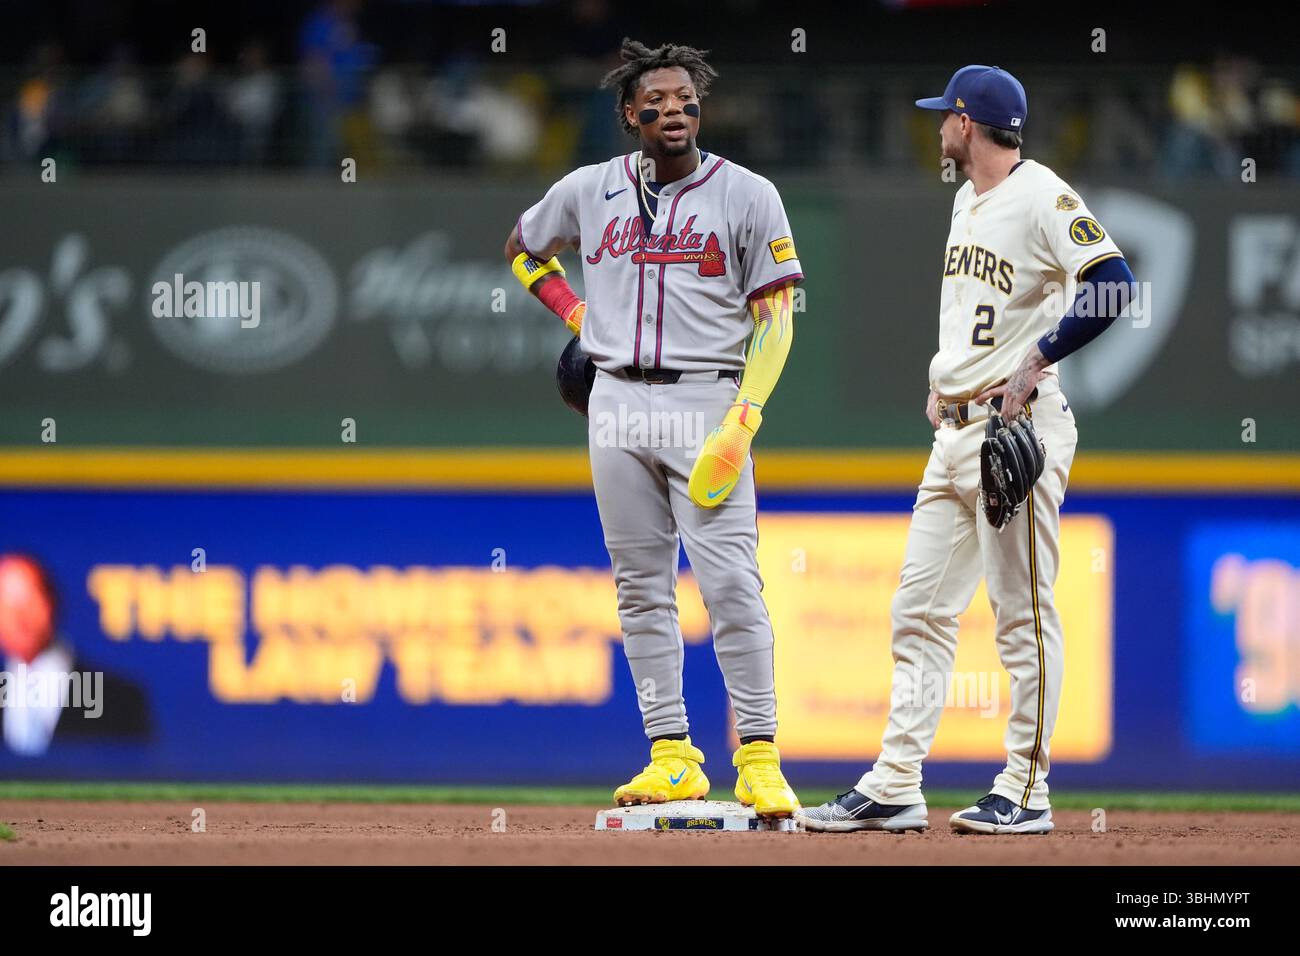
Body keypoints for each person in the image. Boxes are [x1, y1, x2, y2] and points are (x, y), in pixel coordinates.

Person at [800, 65, 1136, 835]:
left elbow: (1114, 284)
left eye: (942, 117)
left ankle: (1026, 787)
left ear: (967, 122)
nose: (936, 128)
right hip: (953, 432)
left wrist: (1040, 357)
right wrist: (945, 379)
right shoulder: (965, 197)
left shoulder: (1043, 193)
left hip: (1015, 430)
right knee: (917, 609)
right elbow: (974, 311)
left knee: (1020, 614)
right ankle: (895, 783)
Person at [503, 39, 804, 818]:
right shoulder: (588, 189)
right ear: (630, 114)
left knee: (731, 582)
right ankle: (671, 754)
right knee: (640, 588)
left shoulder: (746, 194)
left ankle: (761, 755)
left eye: (685, 97)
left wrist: (744, 418)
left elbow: (776, 319)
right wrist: (575, 314)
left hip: (708, 400)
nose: (674, 108)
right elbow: (522, 248)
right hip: (614, 401)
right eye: (657, 100)